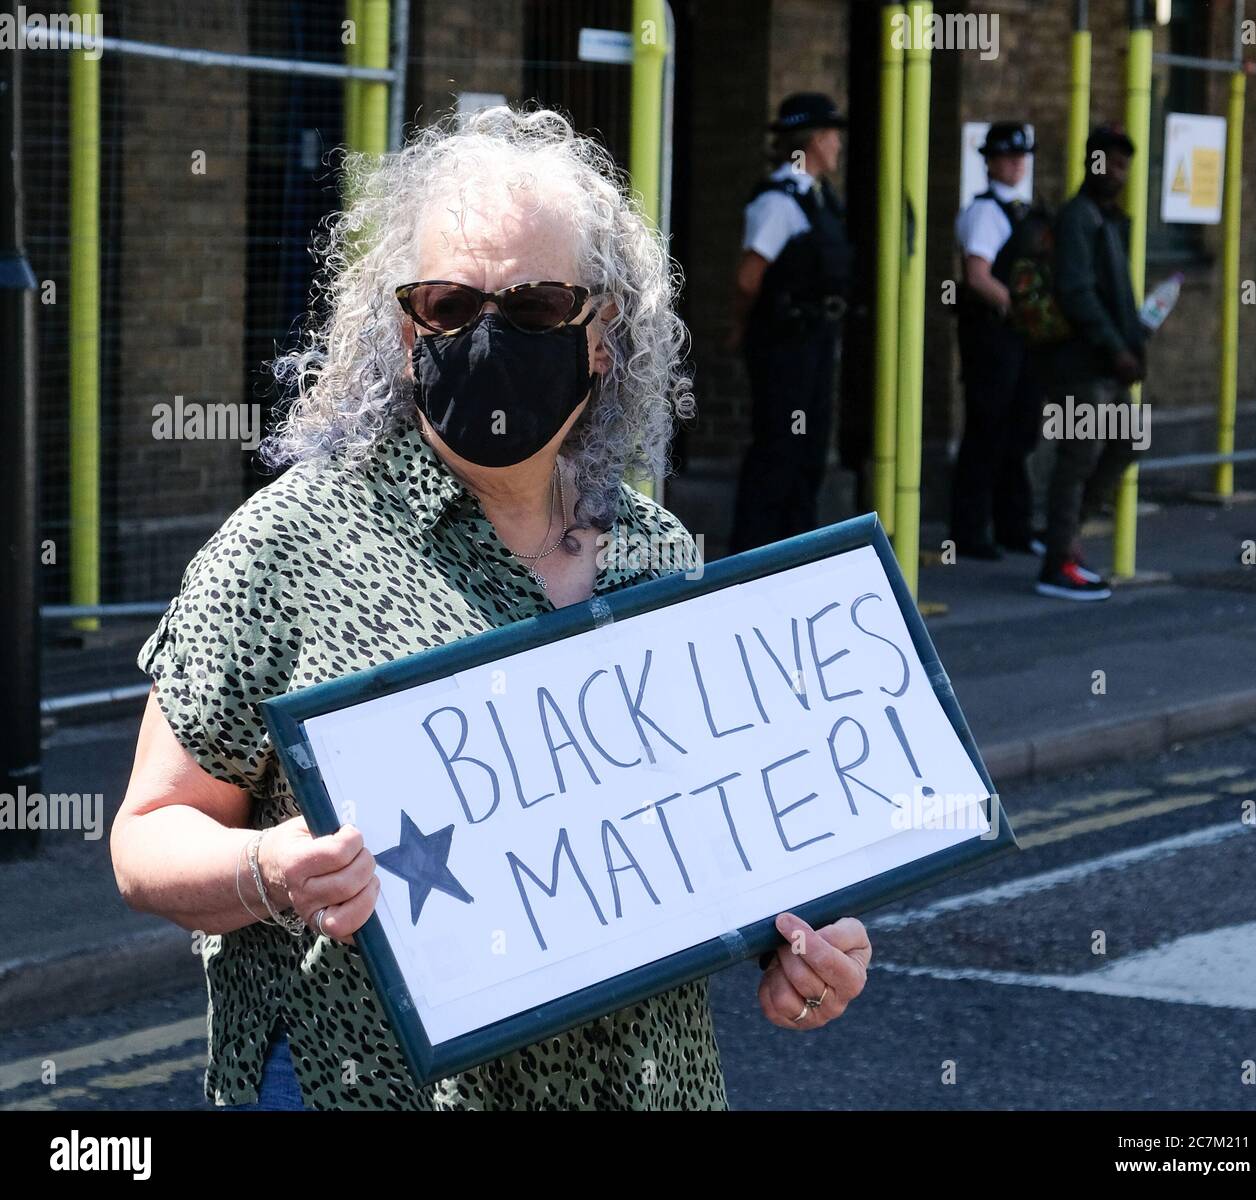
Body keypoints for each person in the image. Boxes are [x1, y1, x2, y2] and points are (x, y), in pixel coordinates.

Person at [109, 105, 872, 1112]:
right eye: (447, 302)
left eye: (536, 305)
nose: (485, 336)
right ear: (399, 327)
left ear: (602, 336)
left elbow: (691, 844)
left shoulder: (656, 552)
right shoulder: (283, 547)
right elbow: (150, 831)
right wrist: (268, 867)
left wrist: (800, 946)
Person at [726, 92, 855, 554]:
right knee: (780, 447)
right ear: (815, 140)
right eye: (832, 135)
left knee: (810, 450)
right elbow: (748, 279)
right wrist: (741, 327)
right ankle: (753, 554)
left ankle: (797, 556)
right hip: (783, 342)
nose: (838, 145)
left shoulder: (820, 199)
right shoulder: (779, 202)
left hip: (815, 340)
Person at [1036, 123, 1148, 601]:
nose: (1118, 173)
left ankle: (1067, 536)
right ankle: (1056, 562)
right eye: (1111, 162)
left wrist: (1132, 342)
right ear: (1092, 163)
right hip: (1082, 363)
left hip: (1106, 363)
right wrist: (1115, 346)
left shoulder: (1109, 220)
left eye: (1125, 165)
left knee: (1128, 439)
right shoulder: (1079, 218)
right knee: (1077, 457)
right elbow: (1077, 292)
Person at [949, 121, 1046, 561]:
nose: (1017, 164)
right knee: (987, 430)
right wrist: (1023, 308)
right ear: (989, 162)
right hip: (993, 337)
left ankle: (1014, 525)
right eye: (1008, 156)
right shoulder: (986, 212)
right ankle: (971, 530)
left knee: (1020, 431)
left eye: (1021, 156)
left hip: (1021, 337)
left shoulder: (1028, 208)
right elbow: (977, 276)